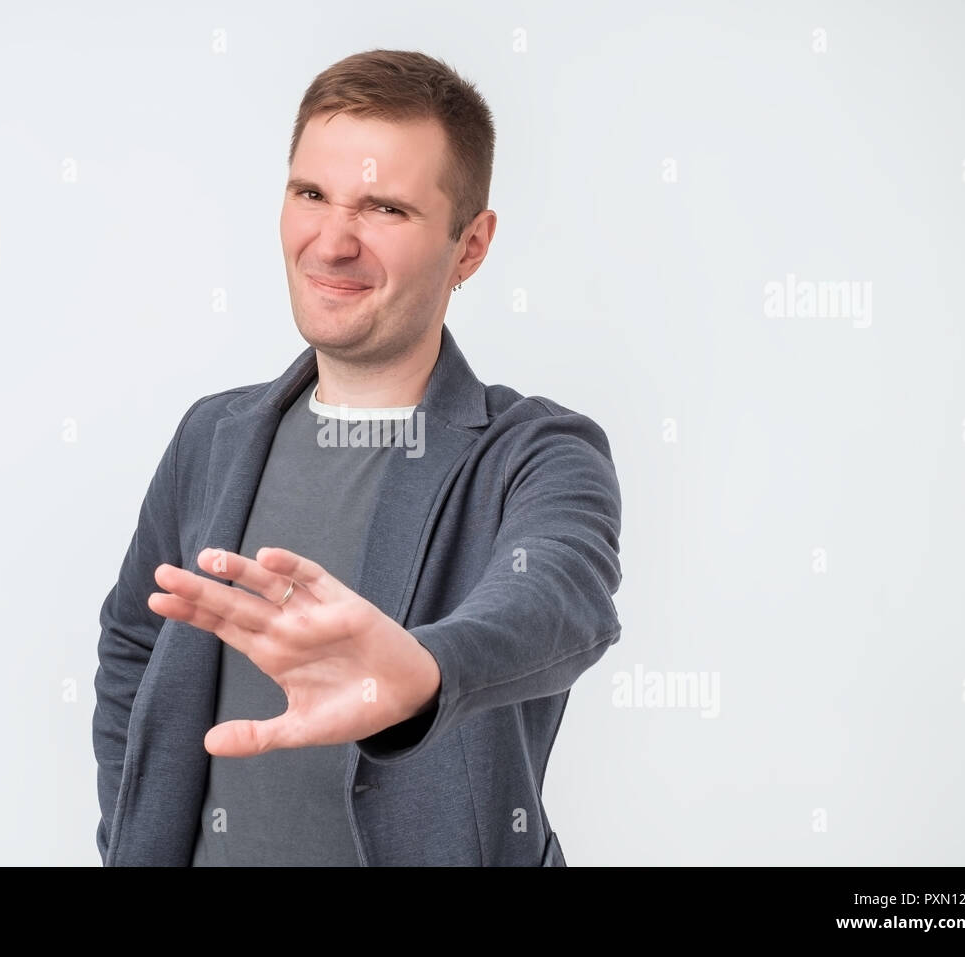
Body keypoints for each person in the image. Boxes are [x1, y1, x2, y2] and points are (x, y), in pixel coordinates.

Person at [91, 48, 623, 867]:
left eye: (384, 209)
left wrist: (421, 671)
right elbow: (134, 644)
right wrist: (133, 837)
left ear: (470, 246)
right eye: (311, 194)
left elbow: (558, 600)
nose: (332, 242)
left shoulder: (538, 452)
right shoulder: (212, 437)